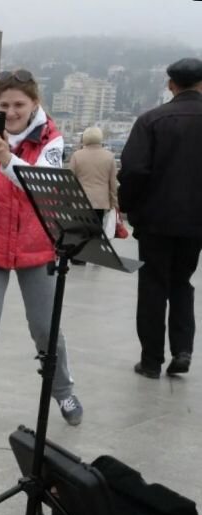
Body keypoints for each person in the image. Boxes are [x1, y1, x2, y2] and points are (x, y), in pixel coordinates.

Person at [0, 69, 83, 429]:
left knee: (45, 327)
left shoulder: (52, 139)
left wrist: (8, 158)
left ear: (34, 104)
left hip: (36, 245)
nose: (11, 112)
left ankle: (64, 390)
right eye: (4, 105)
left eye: (19, 105)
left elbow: (41, 189)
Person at [120, 58, 202, 378]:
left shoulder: (151, 120)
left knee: (153, 286)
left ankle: (151, 360)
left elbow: (135, 170)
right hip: (196, 222)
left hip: (155, 220)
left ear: (170, 84)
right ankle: (182, 349)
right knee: (182, 282)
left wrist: (131, 209)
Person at [67, 126, 117, 263]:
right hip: (100, 201)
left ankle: (78, 258)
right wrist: (113, 202)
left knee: (80, 229)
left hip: (80, 200)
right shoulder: (109, 156)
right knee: (96, 229)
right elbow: (113, 182)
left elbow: (70, 178)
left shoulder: (77, 155)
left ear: (85, 138)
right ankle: (94, 255)